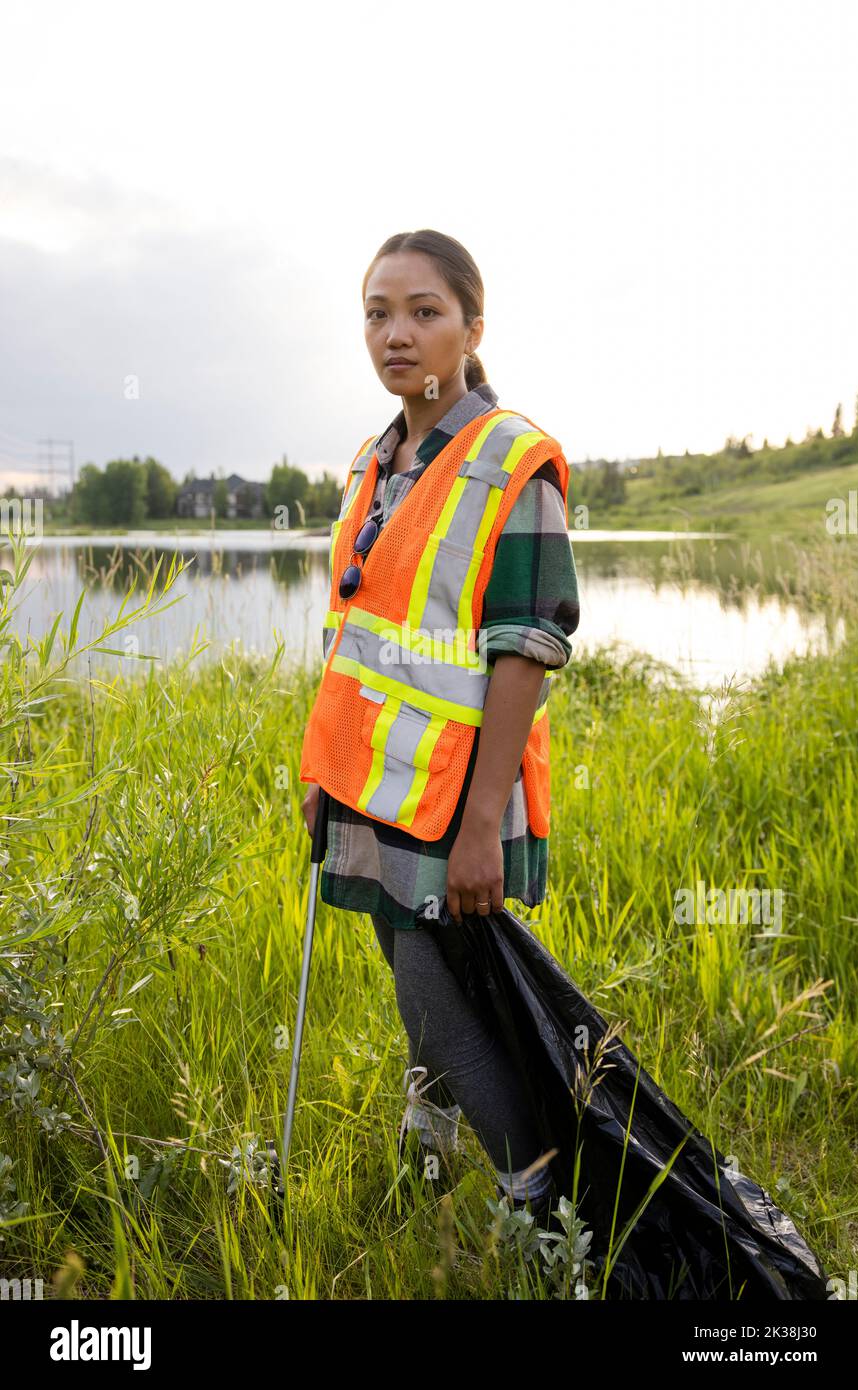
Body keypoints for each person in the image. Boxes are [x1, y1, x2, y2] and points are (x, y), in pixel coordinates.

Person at [299, 229, 580, 1216]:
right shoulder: (375, 466)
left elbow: (529, 643)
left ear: (472, 326)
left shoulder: (511, 460)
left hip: (456, 800)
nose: (396, 334)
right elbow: (353, 646)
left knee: (448, 1017)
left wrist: (476, 827)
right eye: (378, 313)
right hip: (373, 785)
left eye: (424, 312)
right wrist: (321, 776)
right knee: (421, 1004)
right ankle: (424, 1172)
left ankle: (545, 1227)